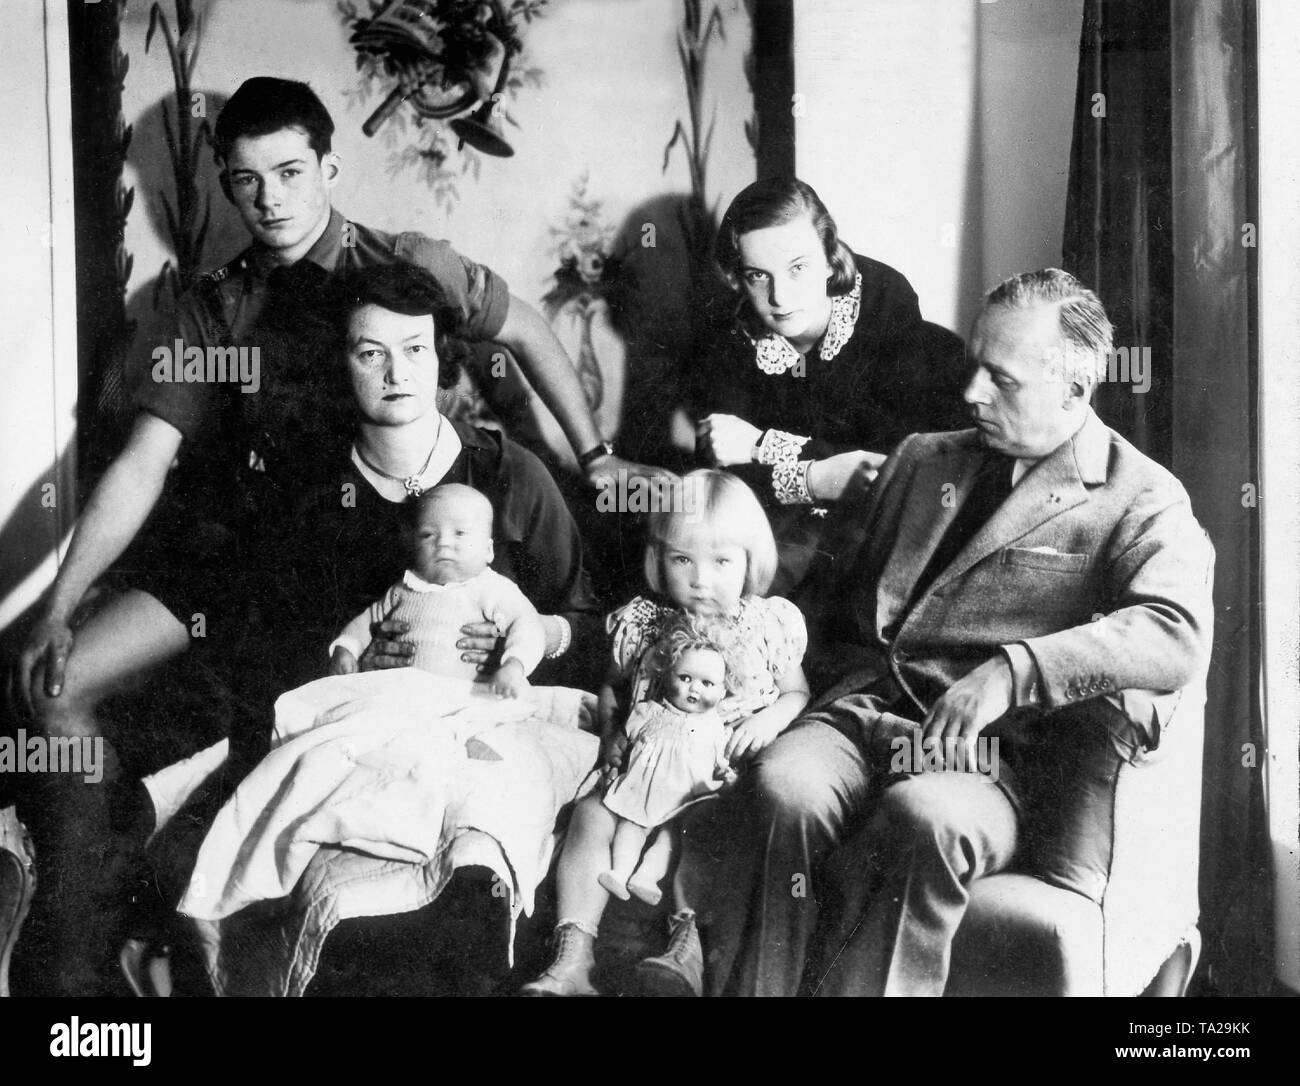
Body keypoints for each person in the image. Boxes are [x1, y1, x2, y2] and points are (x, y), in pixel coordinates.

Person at [702, 268, 1215, 997]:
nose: (972, 391)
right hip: (865, 716)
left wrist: (1010, 673)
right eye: (975, 364)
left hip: (992, 761)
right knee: (785, 784)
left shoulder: (1141, 497)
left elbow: (1175, 632)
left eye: (1002, 380)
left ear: (1075, 390)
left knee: (925, 816)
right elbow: (837, 605)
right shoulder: (923, 459)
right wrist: (763, 689)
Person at [520, 470, 810, 997]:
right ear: (659, 559)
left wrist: (766, 720)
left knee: (700, 827)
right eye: (683, 560)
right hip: (645, 763)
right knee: (590, 815)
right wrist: (613, 733)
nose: (702, 579)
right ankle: (573, 955)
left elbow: (797, 693)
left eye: (721, 561)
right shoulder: (645, 624)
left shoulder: (767, 624)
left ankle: (684, 947)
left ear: (751, 560)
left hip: (711, 774)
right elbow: (613, 687)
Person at [692, 177, 969, 596]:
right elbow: (727, 472)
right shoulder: (732, 337)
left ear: (829, 257)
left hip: (891, 532)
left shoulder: (884, 305)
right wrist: (820, 475)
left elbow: (885, 467)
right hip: (788, 533)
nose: (780, 297)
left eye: (798, 267)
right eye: (757, 276)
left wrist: (762, 446)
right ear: (737, 277)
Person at [328, 484, 545, 700]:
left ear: (488, 550)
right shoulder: (404, 588)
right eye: (428, 534)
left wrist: (515, 664)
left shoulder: (492, 588)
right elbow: (366, 622)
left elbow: (527, 625)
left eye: (460, 533)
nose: (443, 542)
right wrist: (345, 649)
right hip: (402, 700)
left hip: (469, 698)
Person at [597, 615, 738, 905]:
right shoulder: (647, 712)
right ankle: (620, 871)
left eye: (707, 683)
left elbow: (720, 763)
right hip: (645, 787)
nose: (694, 689)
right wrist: (614, 755)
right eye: (684, 678)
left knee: (671, 837)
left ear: (723, 691)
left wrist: (728, 777)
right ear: (667, 675)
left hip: (685, 796)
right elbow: (623, 741)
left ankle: (646, 876)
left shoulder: (716, 727)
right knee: (630, 825)